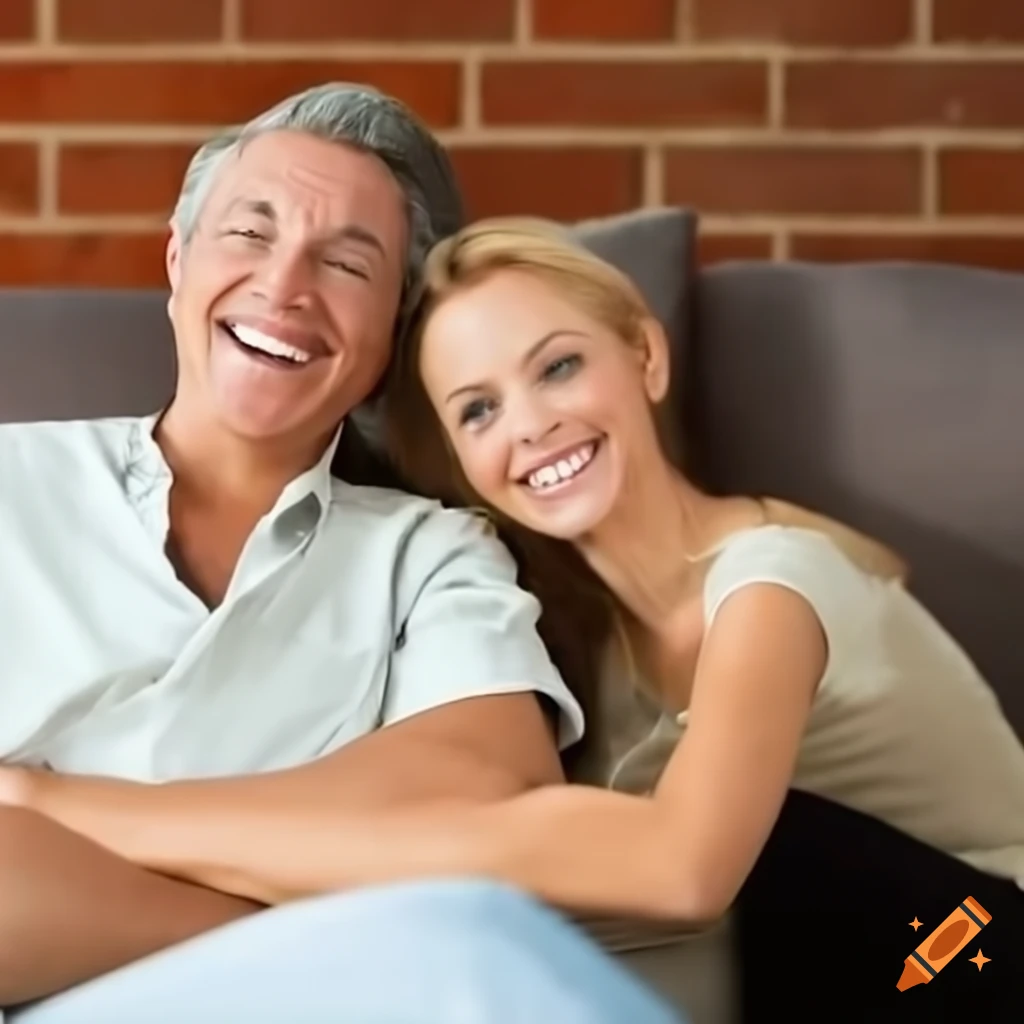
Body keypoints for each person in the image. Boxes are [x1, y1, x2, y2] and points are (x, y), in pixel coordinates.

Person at [72, 217, 1024, 1021]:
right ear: (457, 460)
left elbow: (684, 872)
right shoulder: (561, 649)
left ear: (645, 356)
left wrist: (111, 819)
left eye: (559, 367)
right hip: (798, 975)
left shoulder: (774, 584)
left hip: (971, 951)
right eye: (478, 410)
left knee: (740, 848)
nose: (529, 425)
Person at [0, 86, 683, 1024]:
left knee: (478, 951)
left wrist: (52, 803)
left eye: (346, 263)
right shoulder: (13, 480)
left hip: (345, 999)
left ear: (394, 335)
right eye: (250, 233)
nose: (284, 287)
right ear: (178, 260)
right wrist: (322, 917)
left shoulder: (430, 554)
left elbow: (490, 794)